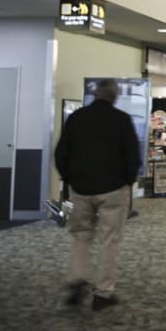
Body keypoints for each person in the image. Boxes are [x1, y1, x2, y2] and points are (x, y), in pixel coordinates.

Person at [54, 79, 141, 311]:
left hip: (81, 189)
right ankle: (103, 293)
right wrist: (127, 181)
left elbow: (61, 153)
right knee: (109, 240)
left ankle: (76, 279)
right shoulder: (121, 120)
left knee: (80, 236)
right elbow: (133, 155)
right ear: (114, 96)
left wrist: (70, 179)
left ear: (95, 94)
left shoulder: (76, 118)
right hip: (113, 189)